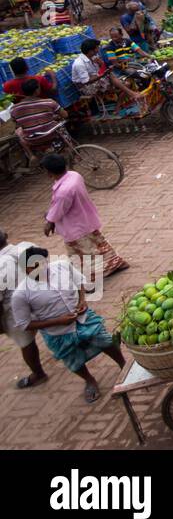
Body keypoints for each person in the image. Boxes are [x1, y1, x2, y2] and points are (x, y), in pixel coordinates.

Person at [10, 246, 126, 403]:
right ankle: (89, 381)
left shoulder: (62, 266)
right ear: (27, 268)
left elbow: (79, 282)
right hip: (57, 332)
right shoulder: (21, 294)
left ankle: (123, 365)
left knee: (106, 341)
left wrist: (82, 300)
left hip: (84, 318)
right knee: (73, 360)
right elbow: (25, 324)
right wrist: (59, 321)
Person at [42, 151, 129, 283]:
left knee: (80, 255)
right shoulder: (74, 175)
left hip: (75, 227)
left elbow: (58, 211)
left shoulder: (63, 191)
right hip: (86, 219)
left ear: (49, 173)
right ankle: (115, 264)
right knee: (99, 245)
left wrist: (49, 220)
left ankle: (87, 281)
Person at [0, 229, 49, 390]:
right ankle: (64, 348)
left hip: (17, 311)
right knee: (52, 324)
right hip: (44, 298)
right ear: (6, 235)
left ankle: (39, 374)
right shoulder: (27, 247)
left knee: (26, 343)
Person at [69, 38, 140, 106]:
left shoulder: (93, 57)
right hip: (86, 87)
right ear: (91, 51)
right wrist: (103, 74)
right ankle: (129, 95)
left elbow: (101, 70)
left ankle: (126, 97)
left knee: (123, 82)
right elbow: (86, 81)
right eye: (97, 48)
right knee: (116, 80)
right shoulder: (79, 63)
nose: (98, 49)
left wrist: (101, 64)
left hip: (96, 79)